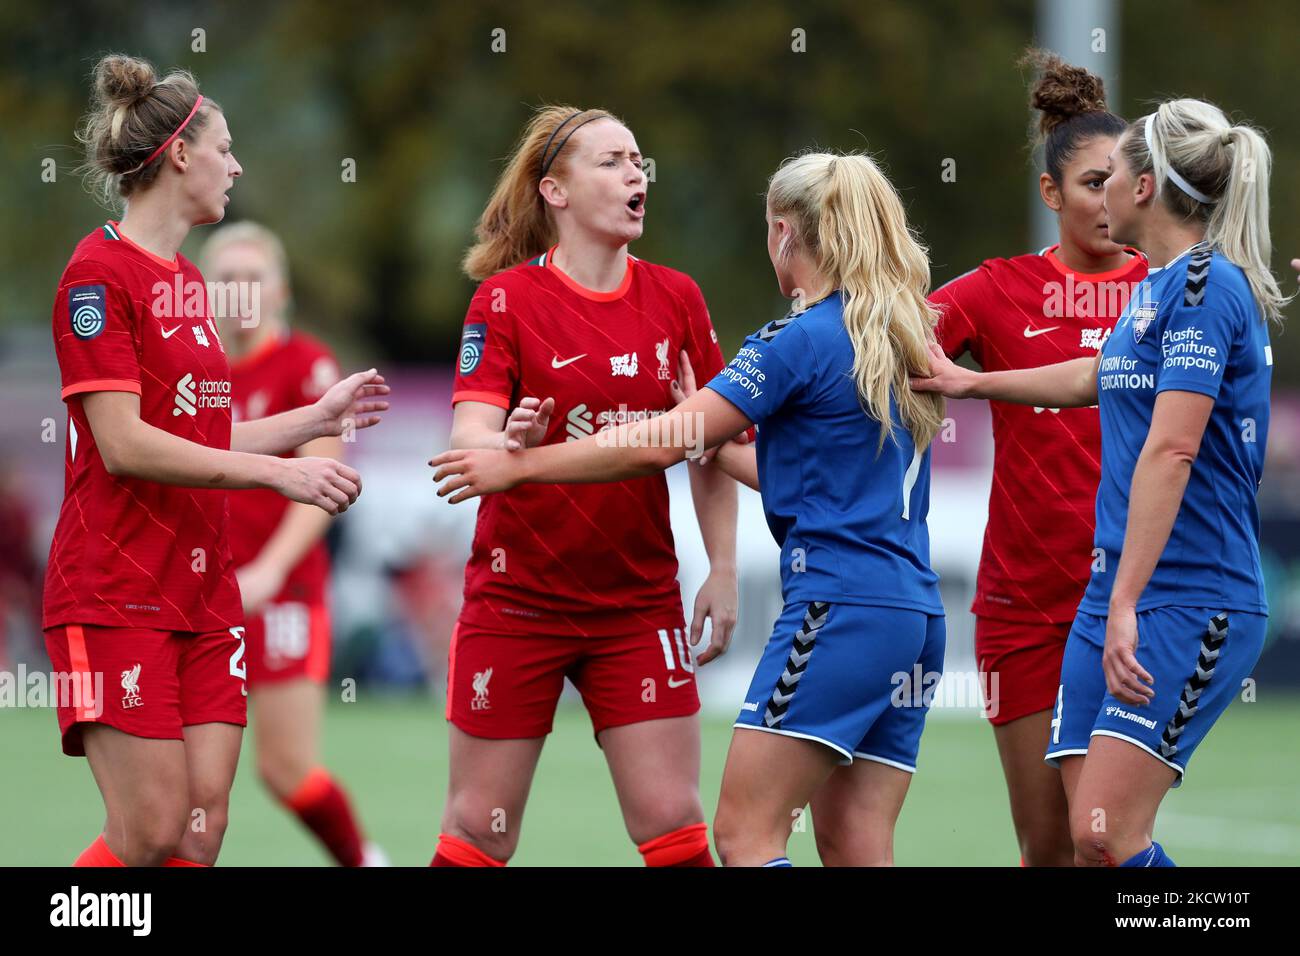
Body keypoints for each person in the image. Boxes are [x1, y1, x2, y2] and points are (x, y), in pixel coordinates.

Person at [433, 148, 947, 867]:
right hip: (915, 616)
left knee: (744, 838)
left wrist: (521, 465)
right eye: (613, 161)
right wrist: (705, 439)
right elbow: (797, 472)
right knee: (856, 842)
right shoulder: (898, 333)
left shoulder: (793, 339)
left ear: (782, 233)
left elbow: (657, 445)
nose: (635, 175)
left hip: (838, 611)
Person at [913, 98, 1286, 866]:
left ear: (1143, 187)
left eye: (1110, 173)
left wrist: (1123, 604)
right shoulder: (1155, 285)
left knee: (1104, 836)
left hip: (1191, 596)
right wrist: (970, 383)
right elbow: (1098, 374)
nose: (1100, 189)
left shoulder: (1204, 289)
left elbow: (1172, 451)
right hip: (1114, 594)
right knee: (1080, 846)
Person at [45, 54, 387, 867]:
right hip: (116, 594)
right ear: (181, 156)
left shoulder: (189, 287)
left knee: (200, 836)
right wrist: (283, 471)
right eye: (225, 148)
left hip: (203, 598)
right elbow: (124, 446)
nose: (237, 165)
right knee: (150, 833)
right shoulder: (96, 276)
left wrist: (315, 417)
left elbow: (204, 440)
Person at [429, 105, 738, 868]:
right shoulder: (504, 301)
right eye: (612, 161)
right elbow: (471, 444)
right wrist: (505, 443)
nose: (637, 173)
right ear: (555, 192)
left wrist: (723, 568)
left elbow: (712, 442)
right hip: (517, 600)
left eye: (639, 159)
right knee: (480, 827)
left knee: (672, 819)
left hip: (636, 604)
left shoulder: (677, 299)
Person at [926, 51, 1147, 866]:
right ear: (1051, 194)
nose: (1114, 198)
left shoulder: (1175, 292)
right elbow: (883, 345)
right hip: (1022, 604)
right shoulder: (994, 288)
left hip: (1135, 602)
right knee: (1049, 844)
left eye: (1127, 181)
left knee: (1105, 838)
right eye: (1092, 182)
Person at [202, 221, 386, 866]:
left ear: (280, 290)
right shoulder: (189, 369)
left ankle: (365, 860)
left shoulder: (307, 365)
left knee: (284, 770)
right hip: (192, 595)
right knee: (186, 786)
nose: (241, 292)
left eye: (254, 279)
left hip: (281, 594)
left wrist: (269, 571)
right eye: (226, 281)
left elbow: (325, 484)